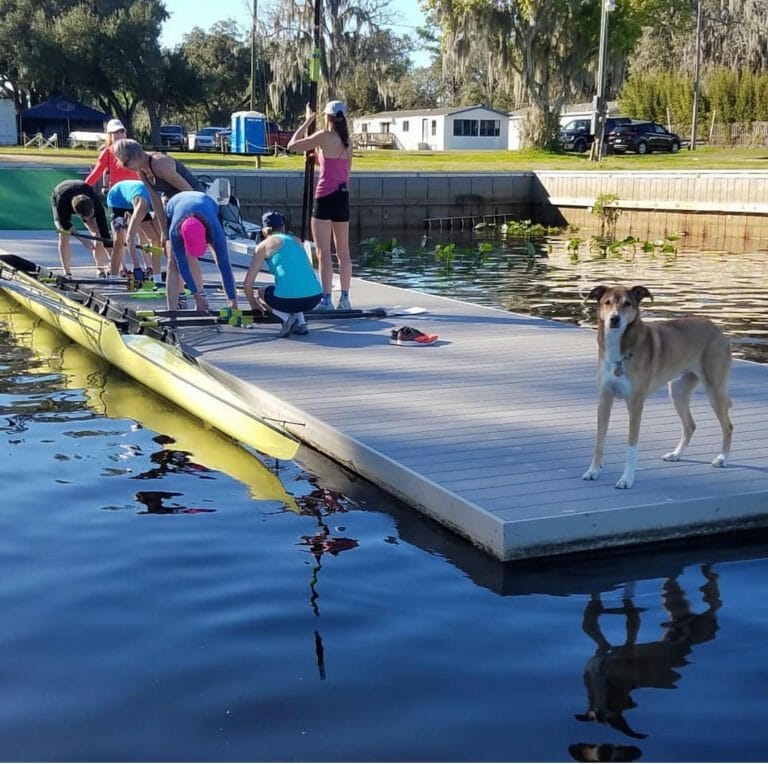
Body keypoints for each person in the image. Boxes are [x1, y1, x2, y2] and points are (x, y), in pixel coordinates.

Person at [287, 99, 353, 311]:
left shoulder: (324, 136)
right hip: (342, 197)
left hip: (324, 197)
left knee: (323, 252)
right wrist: (317, 158)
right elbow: (341, 169)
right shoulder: (347, 142)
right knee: (343, 252)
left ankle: (326, 300)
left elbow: (292, 145)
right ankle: (345, 299)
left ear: (327, 117)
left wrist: (308, 121)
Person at [243, 211, 322, 337]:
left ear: (263, 230)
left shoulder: (263, 246)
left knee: (262, 292)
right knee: (295, 286)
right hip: (315, 297)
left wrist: (254, 304)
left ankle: (286, 318)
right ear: (283, 227)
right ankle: (301, 323)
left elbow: (247, 284)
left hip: (290, 300)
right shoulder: (297, 241)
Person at [111, 138, 204, 243]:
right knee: (168, 240)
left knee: (184, 240)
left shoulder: (159, 164)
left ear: (135, 155)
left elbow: (190, 193)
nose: (125, 167)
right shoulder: (141, 171)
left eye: (125, 163)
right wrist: (163, 230)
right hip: (173, 202)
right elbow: (155, 200)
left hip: (194, 200)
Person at [165, 191, 238, 312]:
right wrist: (196, 297)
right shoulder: (174, 232)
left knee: (221, 260)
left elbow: (225, 266)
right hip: (174, 205)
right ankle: (171, 312)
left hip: (207, 204)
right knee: (172, 263)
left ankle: (232, 302)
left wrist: (233, 302)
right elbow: (182, 266)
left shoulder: (216, 231)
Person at [106, 180, 163, 285]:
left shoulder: (160, 206)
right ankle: (112, 281)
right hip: (117, 199)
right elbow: (130, 237)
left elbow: (160, 237)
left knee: (155, 239)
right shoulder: (142, 206)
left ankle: (157, 279)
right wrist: (137, 267)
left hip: (137, 197)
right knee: (119, 241)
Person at [51, 179, 111, 277]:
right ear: (78, 215)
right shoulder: (62, 203)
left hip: (84, 189)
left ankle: (100, 269)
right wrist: (83, 240)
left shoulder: (96, 203)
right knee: (64, 233)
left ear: (93, 210)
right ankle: (67, 272)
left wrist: (115, 262)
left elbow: (105, 235)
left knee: (98, 233)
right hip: (61, 193)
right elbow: (64, 225)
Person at [84, 119, 139, 191]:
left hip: (135, 190)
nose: (119, 134)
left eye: (122, 131)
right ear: (110, 135)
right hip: (117, 191)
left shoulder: (134, 149)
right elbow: (96, 174)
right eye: (116, 132)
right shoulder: (107, 152)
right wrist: (82, 189)